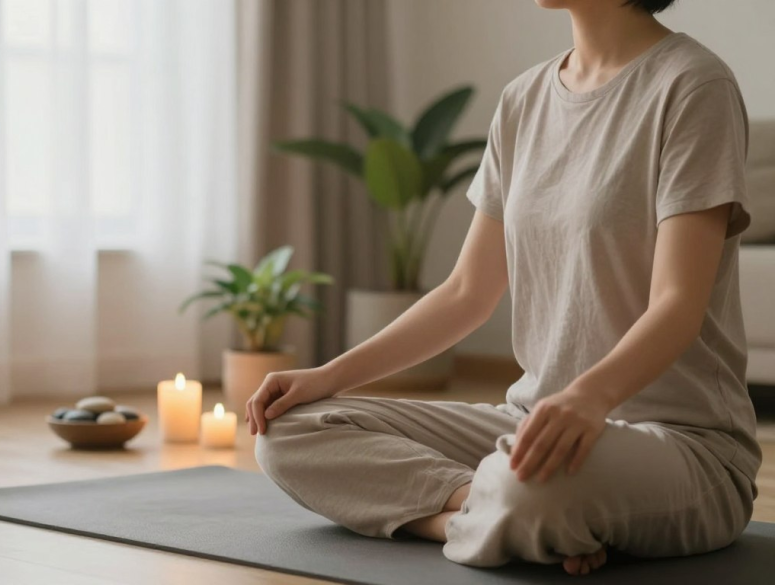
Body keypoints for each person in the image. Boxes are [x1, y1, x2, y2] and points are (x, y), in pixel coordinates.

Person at [247, 0, 760, 576]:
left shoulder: (693, 85)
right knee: (288, 431)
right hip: (529, 426)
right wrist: (326, 377)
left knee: (525, 480)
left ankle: (506, 508)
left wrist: (588, 397)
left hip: (679, 444)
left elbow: (677, 304)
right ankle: (477, 514)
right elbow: (467, 290)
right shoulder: (523, 100)